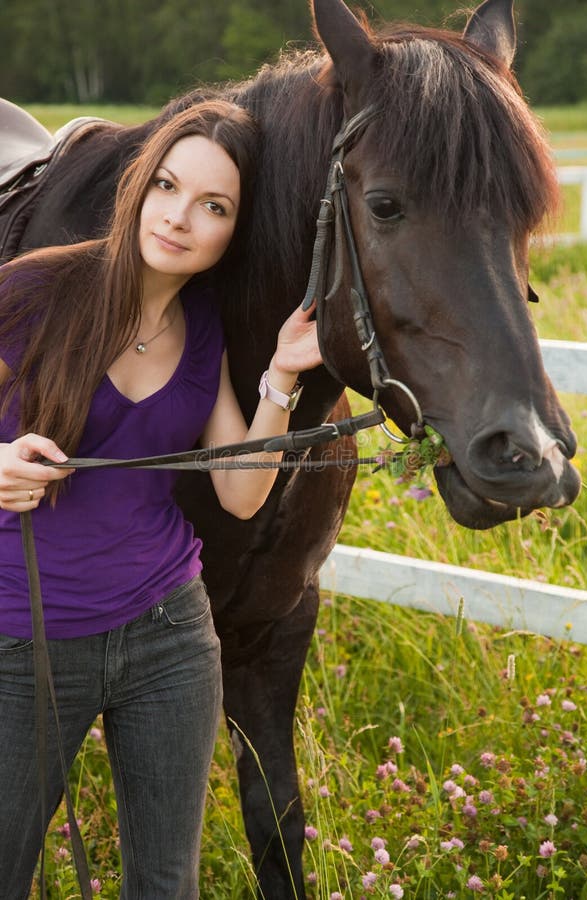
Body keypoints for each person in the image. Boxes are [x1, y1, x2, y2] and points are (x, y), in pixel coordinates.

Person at [0, 99, 321, 899]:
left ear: (231, 233)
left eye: (212, 206)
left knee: (166, 883)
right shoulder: (34, 290)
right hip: (28, 640)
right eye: (168, 187)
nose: (180, 218)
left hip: (169, 637)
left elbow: (241, 496)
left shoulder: (202, 324)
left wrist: (280, 378)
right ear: (140, 187)